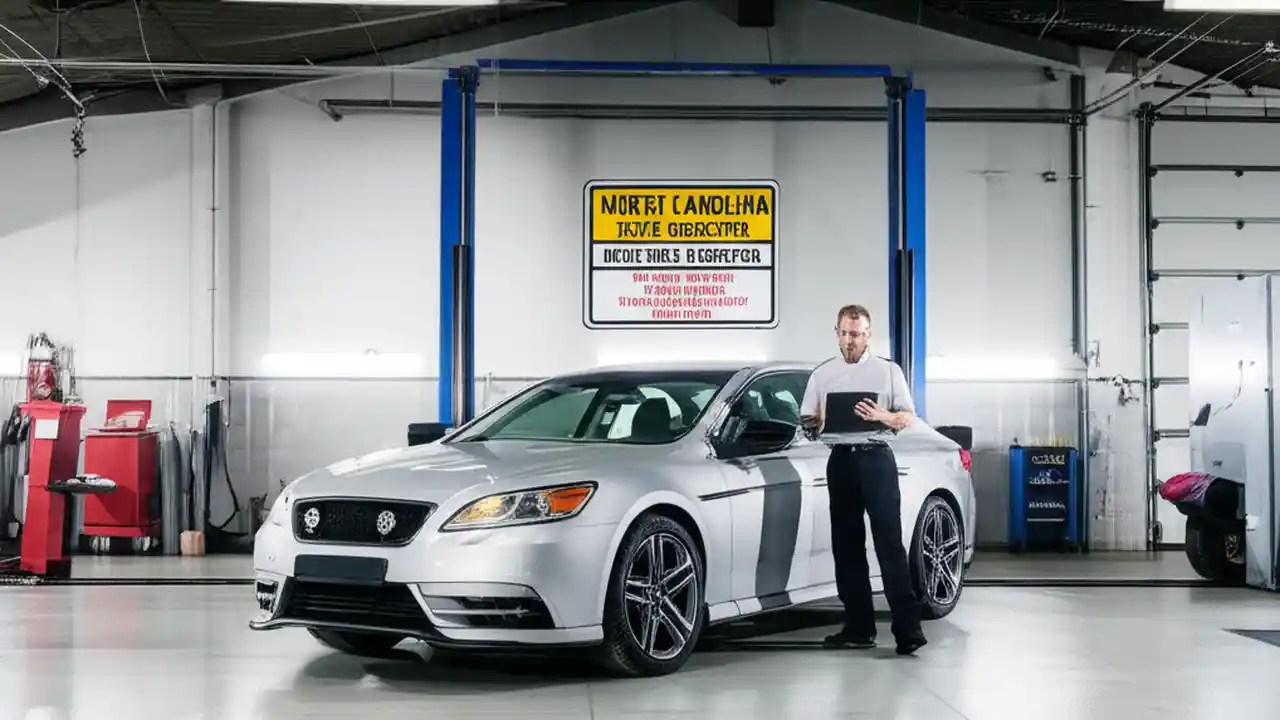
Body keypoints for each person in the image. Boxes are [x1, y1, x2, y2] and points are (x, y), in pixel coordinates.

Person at [800, 304, 927, 656]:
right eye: (844, 333)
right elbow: (808, 420)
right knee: (846, 545)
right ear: (836, 332)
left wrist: (883, 415)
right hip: (840, 461)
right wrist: (815, 424)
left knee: (889, 544)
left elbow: (909, 419)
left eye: (856, 334)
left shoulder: (888, 372)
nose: (850, 340)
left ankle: (908, 630)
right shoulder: (822, 375)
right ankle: (858, 627)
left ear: (868, 334)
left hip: (877, 461)